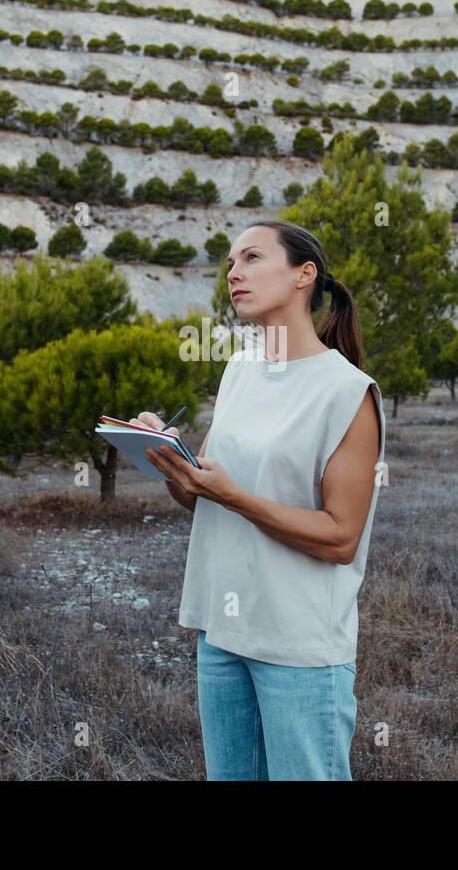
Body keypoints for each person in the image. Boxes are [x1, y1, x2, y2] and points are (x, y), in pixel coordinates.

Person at [134, 219, 386, 780]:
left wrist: (235, 496)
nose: (234, 274)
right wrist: (174, 465)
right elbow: (203, 499)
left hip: (298, 646)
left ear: (304, 274)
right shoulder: (239, 370)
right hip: (222, 632)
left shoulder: (347, 392)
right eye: (229, 264)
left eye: (250, 258)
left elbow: (342, 538)